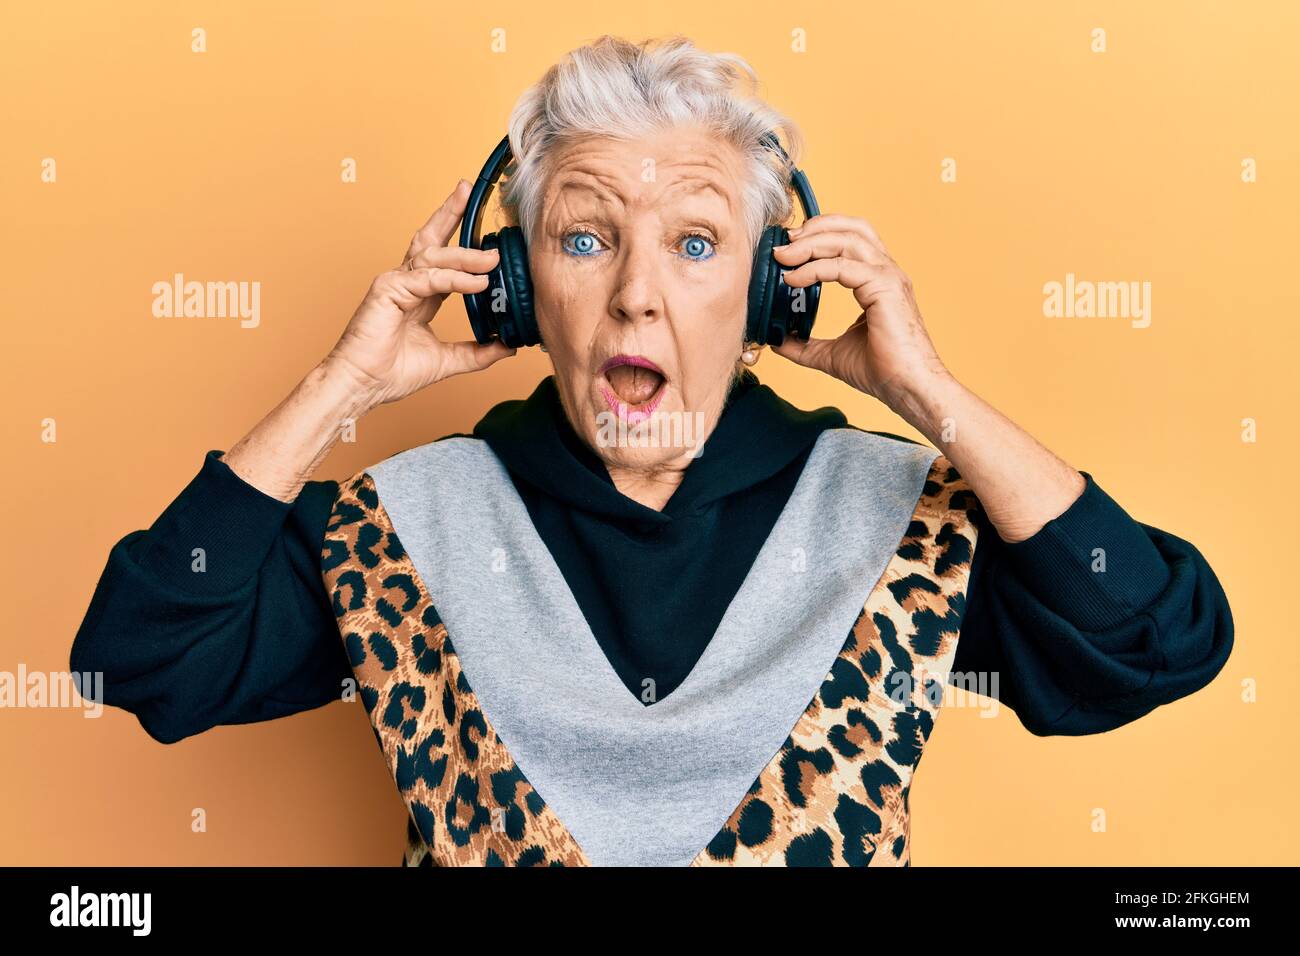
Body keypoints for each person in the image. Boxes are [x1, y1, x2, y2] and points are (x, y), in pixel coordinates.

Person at [70, 35, 1233, 867]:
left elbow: (1155, 639)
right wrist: (338, 390)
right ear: (517, 286)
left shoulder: (897, 522)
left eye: (693, 241)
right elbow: (138, 657)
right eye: (583, 238)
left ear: (773, 288)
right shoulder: (397, 528)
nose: (636, 297)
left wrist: (935, 399)